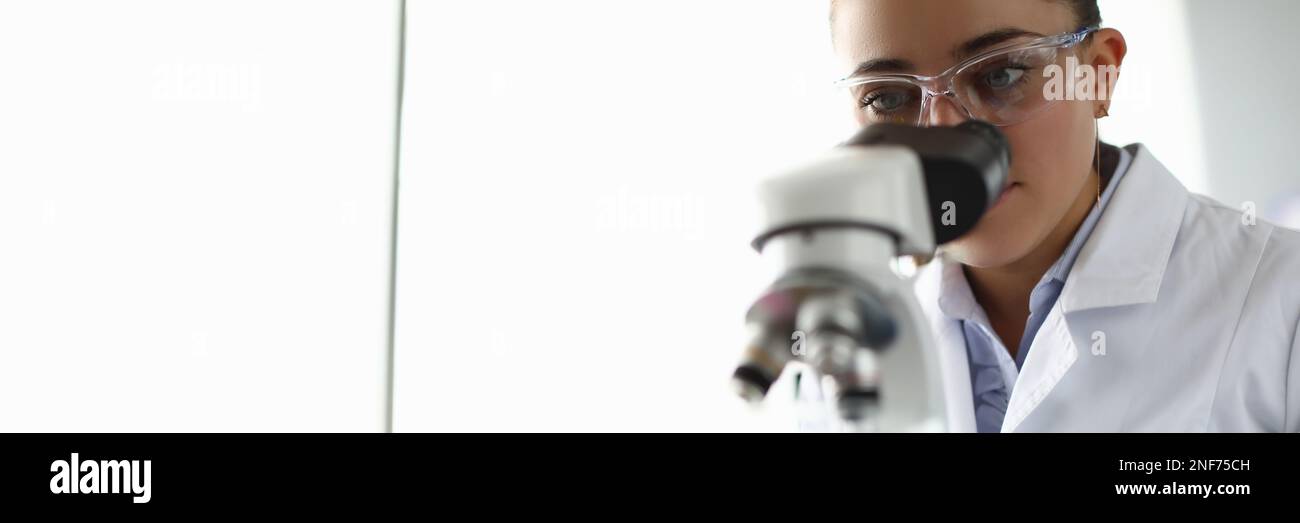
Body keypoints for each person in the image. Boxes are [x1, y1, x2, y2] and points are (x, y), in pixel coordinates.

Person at [828, 0, 1300, 431]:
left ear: (1098, 73)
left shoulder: (1283, 303)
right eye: (888, 99)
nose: (948, 144)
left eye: (1001, 75)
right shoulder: (842, 355)